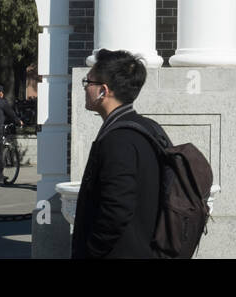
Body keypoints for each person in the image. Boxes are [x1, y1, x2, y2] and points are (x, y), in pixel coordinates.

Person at [72, 49, 169, 259]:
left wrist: (91, 250)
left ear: (103, 91)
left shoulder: (118, 140)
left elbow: (116, 208)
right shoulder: (148, 128)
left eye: (88, 83)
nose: (85, 89)